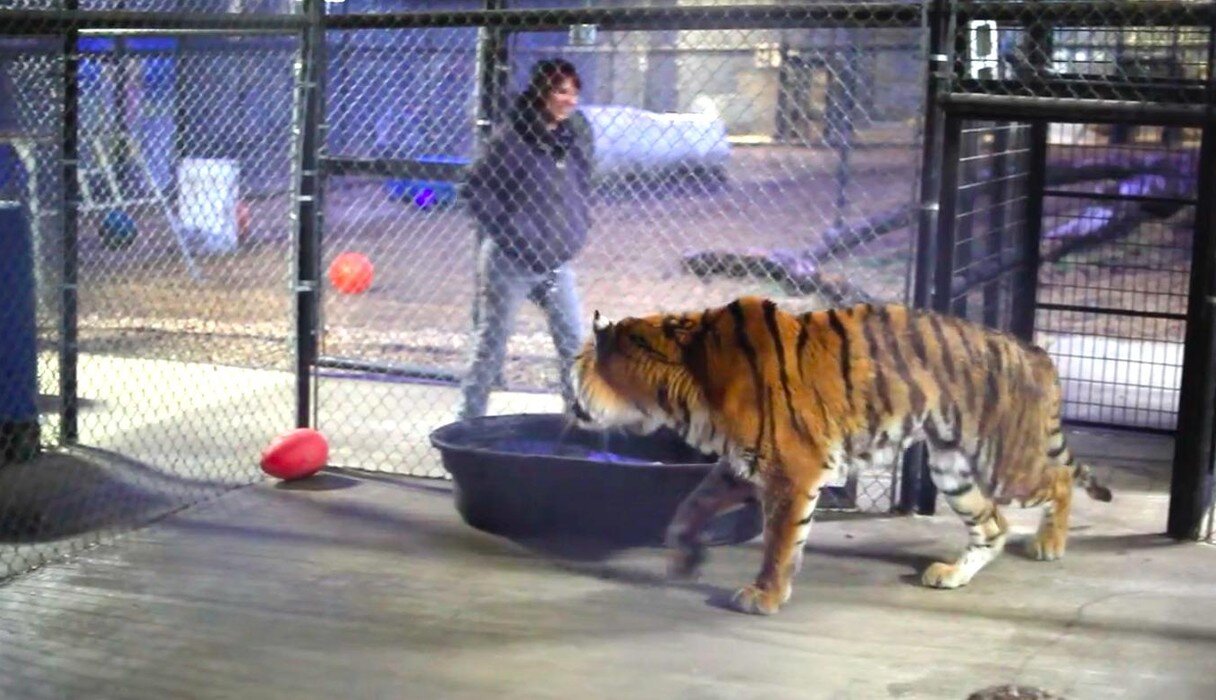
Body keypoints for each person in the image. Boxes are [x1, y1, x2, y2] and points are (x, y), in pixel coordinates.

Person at [456, 58, 595, 421]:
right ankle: (467, 425)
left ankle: (578, 424)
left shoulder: (571, 138)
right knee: (491, 346)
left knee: (573, 345)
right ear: (542, 92)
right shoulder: (512, 138)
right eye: (562, 91)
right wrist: (512, 234)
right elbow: (475, 189)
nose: (570, 100)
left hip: (554, 262)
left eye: (574, 92)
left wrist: (576, 228)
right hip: (510, 261)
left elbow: (581, 187)